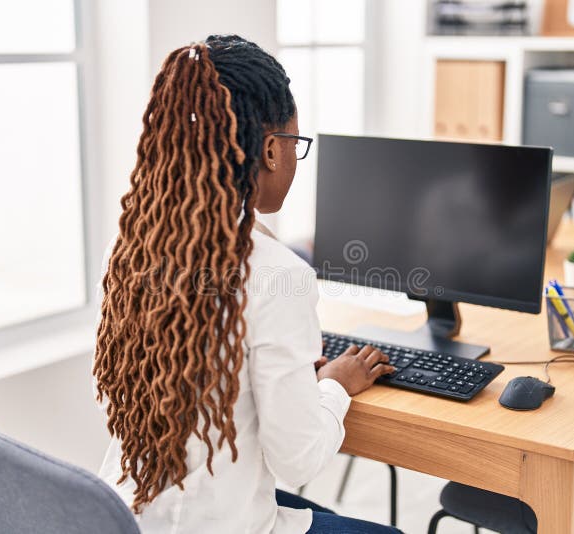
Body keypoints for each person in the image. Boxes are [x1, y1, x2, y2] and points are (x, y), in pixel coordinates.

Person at [93, 34, 401, 534]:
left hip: (129, 517)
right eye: (295, 145)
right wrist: (333, 387)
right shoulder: (278, 275)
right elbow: (298, 461)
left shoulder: (129, 246)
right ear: (271, 151)